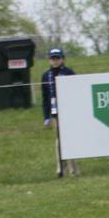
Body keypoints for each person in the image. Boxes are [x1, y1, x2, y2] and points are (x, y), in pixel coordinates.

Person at [40, 48, 78, 177]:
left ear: (62, 59)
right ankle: (60, 167)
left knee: (69, 138)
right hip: (55, 111)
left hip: (69, 109)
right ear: (49, 60)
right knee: (59, 138)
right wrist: (46, 117)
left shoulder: (69, 72)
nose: (55, 61)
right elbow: (45, 98)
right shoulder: (46, 75)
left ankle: (73, 168)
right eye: (53, 58)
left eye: (57, 58)